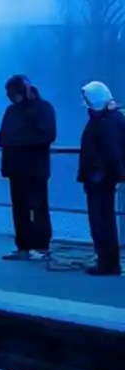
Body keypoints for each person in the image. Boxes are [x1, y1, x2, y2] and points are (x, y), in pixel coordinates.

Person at [0, 74, 56, 261]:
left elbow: (48, 136)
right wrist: (8, 141)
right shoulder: (11, 111)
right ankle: (23, 246)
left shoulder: (44, 109)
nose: (11, 97)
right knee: (19, 209)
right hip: (16, 168)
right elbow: (1, 136)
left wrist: (14, 141)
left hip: (35, 168)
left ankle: (41, 246)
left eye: (12, 93)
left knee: (38, 208)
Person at [77, 81, 123, 276]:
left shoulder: (106, 122)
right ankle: (106, 260)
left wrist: (100, 173)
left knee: (101, 220)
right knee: (102, 219)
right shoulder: (109, 119)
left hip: (100, 179)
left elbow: (111, 152)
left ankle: (107, 262)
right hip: (100, 177)